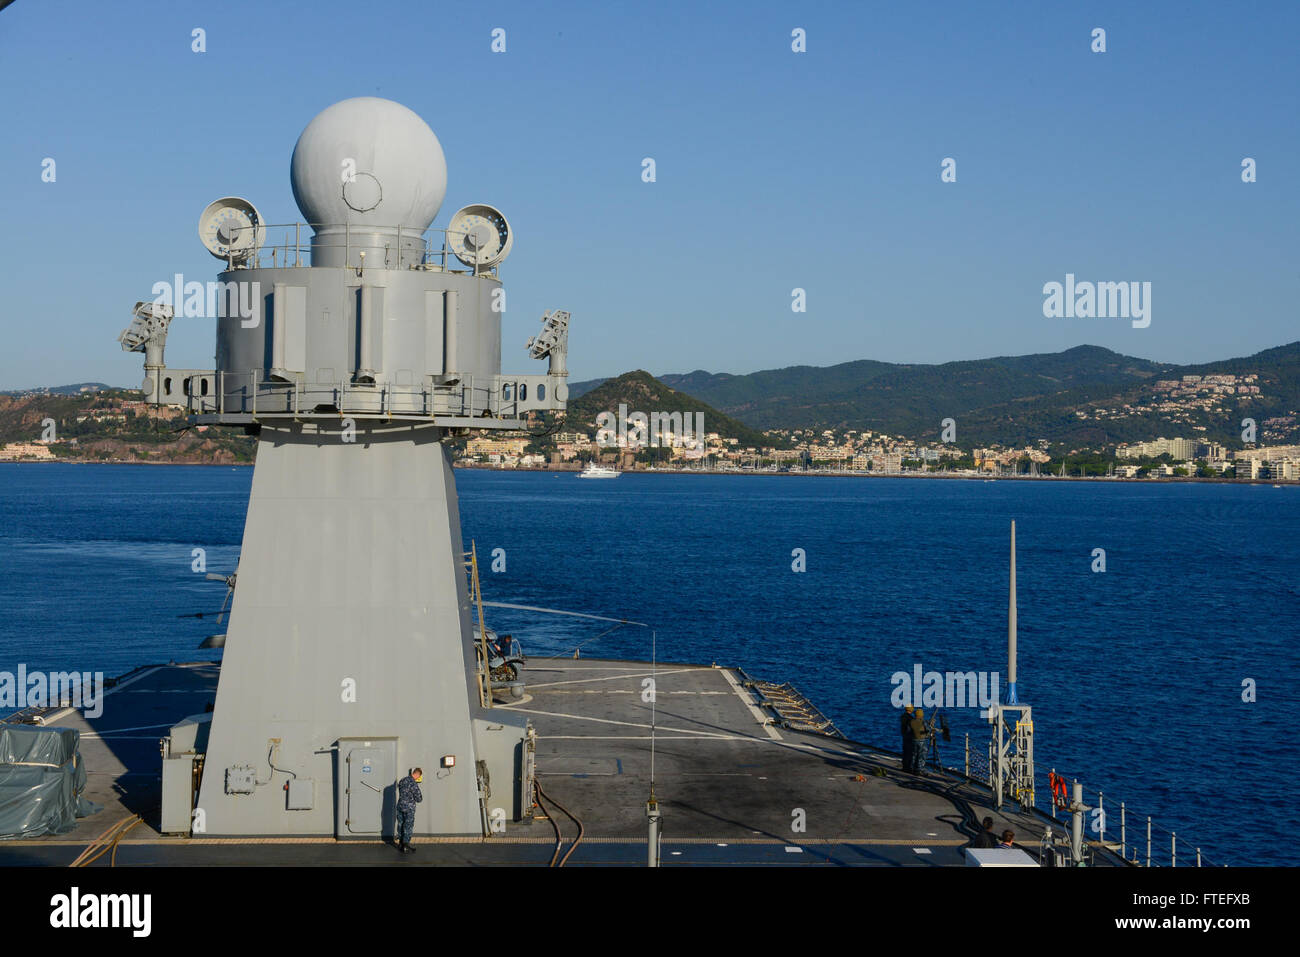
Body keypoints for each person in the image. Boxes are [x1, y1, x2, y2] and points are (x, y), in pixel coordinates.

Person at [396, 767, 423, 854]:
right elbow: (419, 798)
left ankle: (401, 844)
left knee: (401, 824)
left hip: (400, 806)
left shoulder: (402, 780)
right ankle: (405, 845)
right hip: (409, 808)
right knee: (408, 826)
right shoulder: (413, 783)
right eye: (419, 776)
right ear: (418, 774)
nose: (418, 778)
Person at [908, 708, 931, 773]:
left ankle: (911, 767)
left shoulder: (911, 722)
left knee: (913, 754)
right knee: (921, 755)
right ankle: (919, 768)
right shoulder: (923, 722)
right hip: (922, 741)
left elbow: (908, 731)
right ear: (921, 715)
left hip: (913, 740)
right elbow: (928, 730)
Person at [899, 705, 915, 771]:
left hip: (904, 735)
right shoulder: (910, 718)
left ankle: (904, 766)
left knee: (905, 751)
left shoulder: (902, 717)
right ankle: (908, 767)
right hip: (909, 736)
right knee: (909, 752)